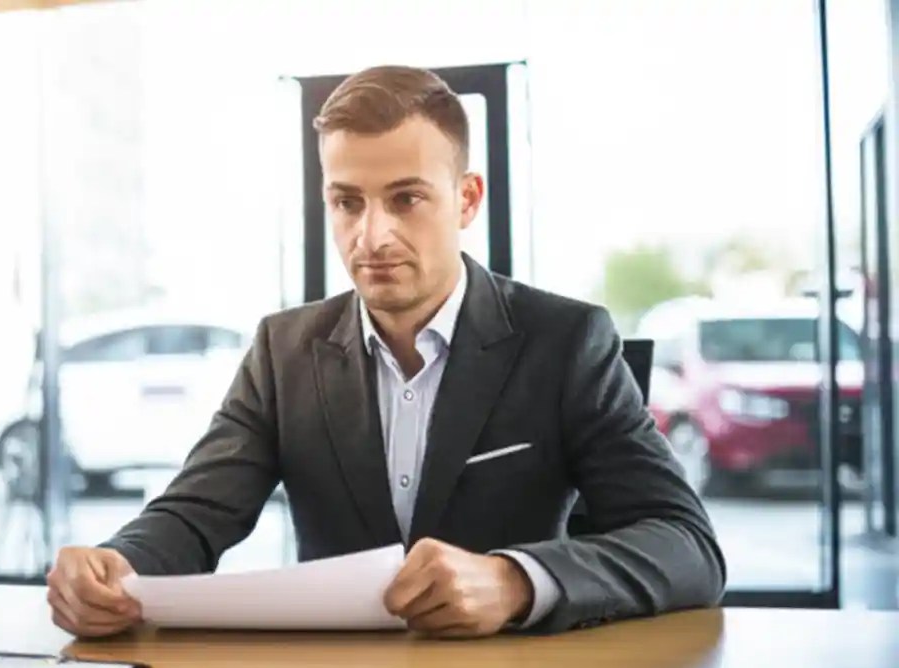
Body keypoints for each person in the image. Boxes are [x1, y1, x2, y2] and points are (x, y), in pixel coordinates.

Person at [48, 65, 727, 639]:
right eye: (347, 202)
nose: (371, 236)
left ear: (466, 200)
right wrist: (115, 566)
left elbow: (687, 546)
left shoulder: (566, 342)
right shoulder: (283, 351)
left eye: (406, 199)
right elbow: (194, 515)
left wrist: (517, 580)